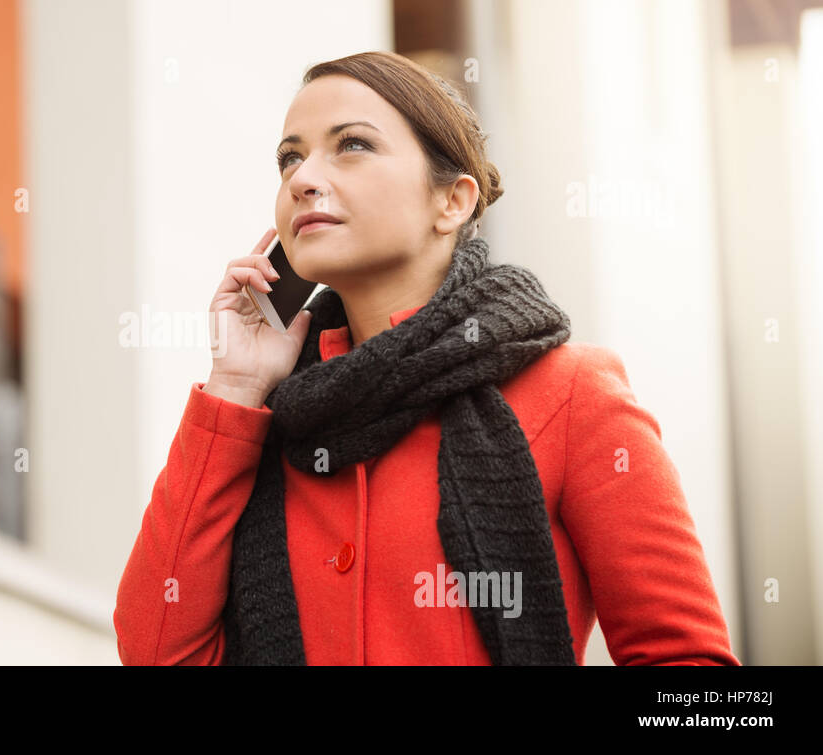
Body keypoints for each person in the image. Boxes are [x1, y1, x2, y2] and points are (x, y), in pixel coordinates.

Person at [113, 51, 739, 666]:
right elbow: (155, 651)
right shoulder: (264, 419)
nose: (303, 178)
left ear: (453, 202)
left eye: (352, 144)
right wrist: (235, 387)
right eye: (289, 158)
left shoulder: (571, 393)